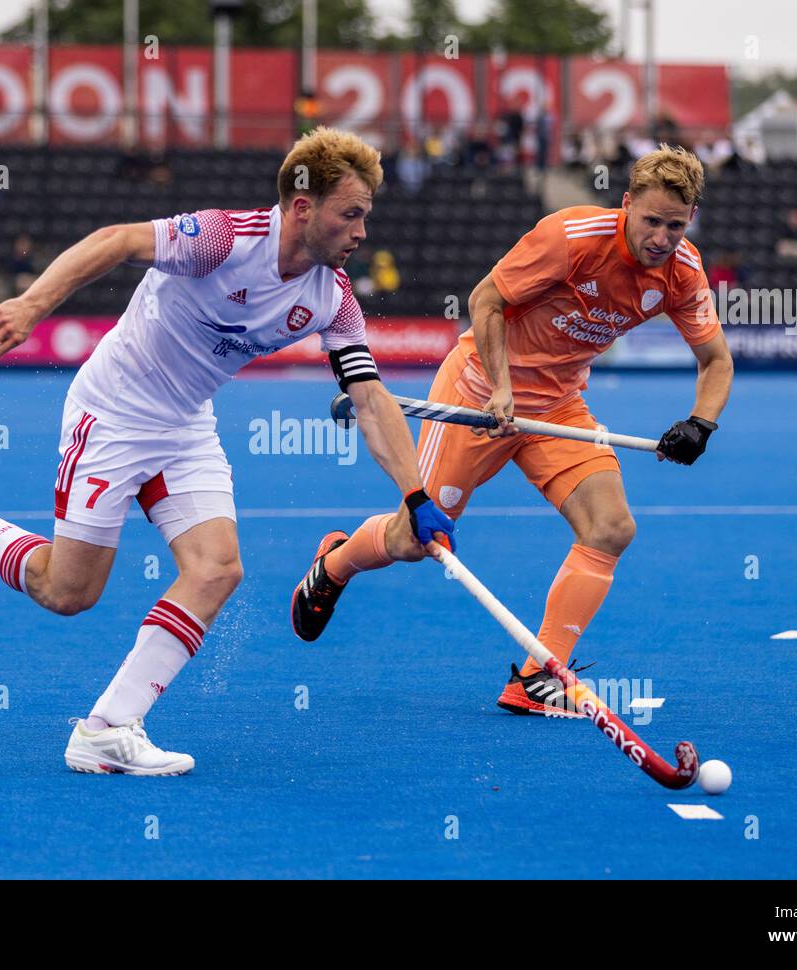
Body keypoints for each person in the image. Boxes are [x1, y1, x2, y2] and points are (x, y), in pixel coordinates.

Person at [0, 128, 454, 775]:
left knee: (217, 569)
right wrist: (32, 305)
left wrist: (415, 498)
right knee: (68, 591)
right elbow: (117, 241)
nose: (361, 231)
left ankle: (107, 728)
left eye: (366, 217)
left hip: (185, 426)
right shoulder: (225, 239)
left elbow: (370, 398)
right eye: (350, 214)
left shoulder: (331, 296)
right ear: (303, 207)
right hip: (114, 413)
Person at [290, 144, 734, 717]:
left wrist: (701, 422)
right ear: (626, 205)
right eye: (650, 221)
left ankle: (537, 677)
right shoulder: (571, 237)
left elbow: (716, 362)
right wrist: (501, 386)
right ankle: (334, 564)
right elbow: (487, 300)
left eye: (675, 225)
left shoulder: (682, 272)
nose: (661, 237)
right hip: (479, 391)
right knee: (415, 539)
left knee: (611, 527)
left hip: (559, 406)